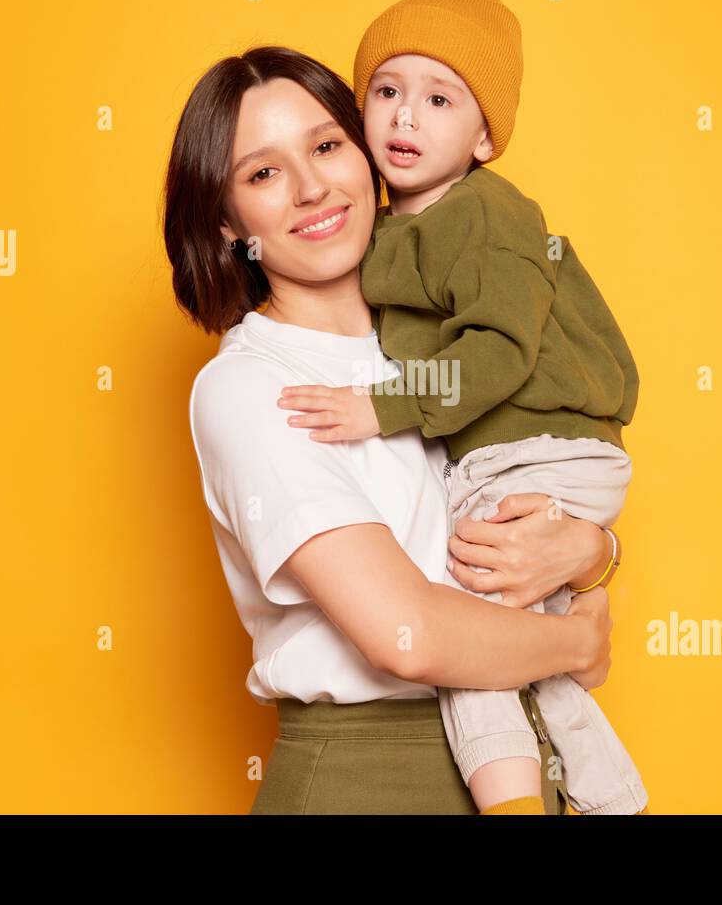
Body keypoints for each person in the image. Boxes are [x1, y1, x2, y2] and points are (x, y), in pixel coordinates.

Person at [165, 45, 642, 814]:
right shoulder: (251, 385)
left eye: (325, 145)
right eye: (262, 173)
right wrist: (576, 643)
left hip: (521, 755)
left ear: (370, 150)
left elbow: (528, 491)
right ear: (226, 223)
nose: (312, 185)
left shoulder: (441, 344)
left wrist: (594, 552)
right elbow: (408, 633)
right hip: (376, 777)